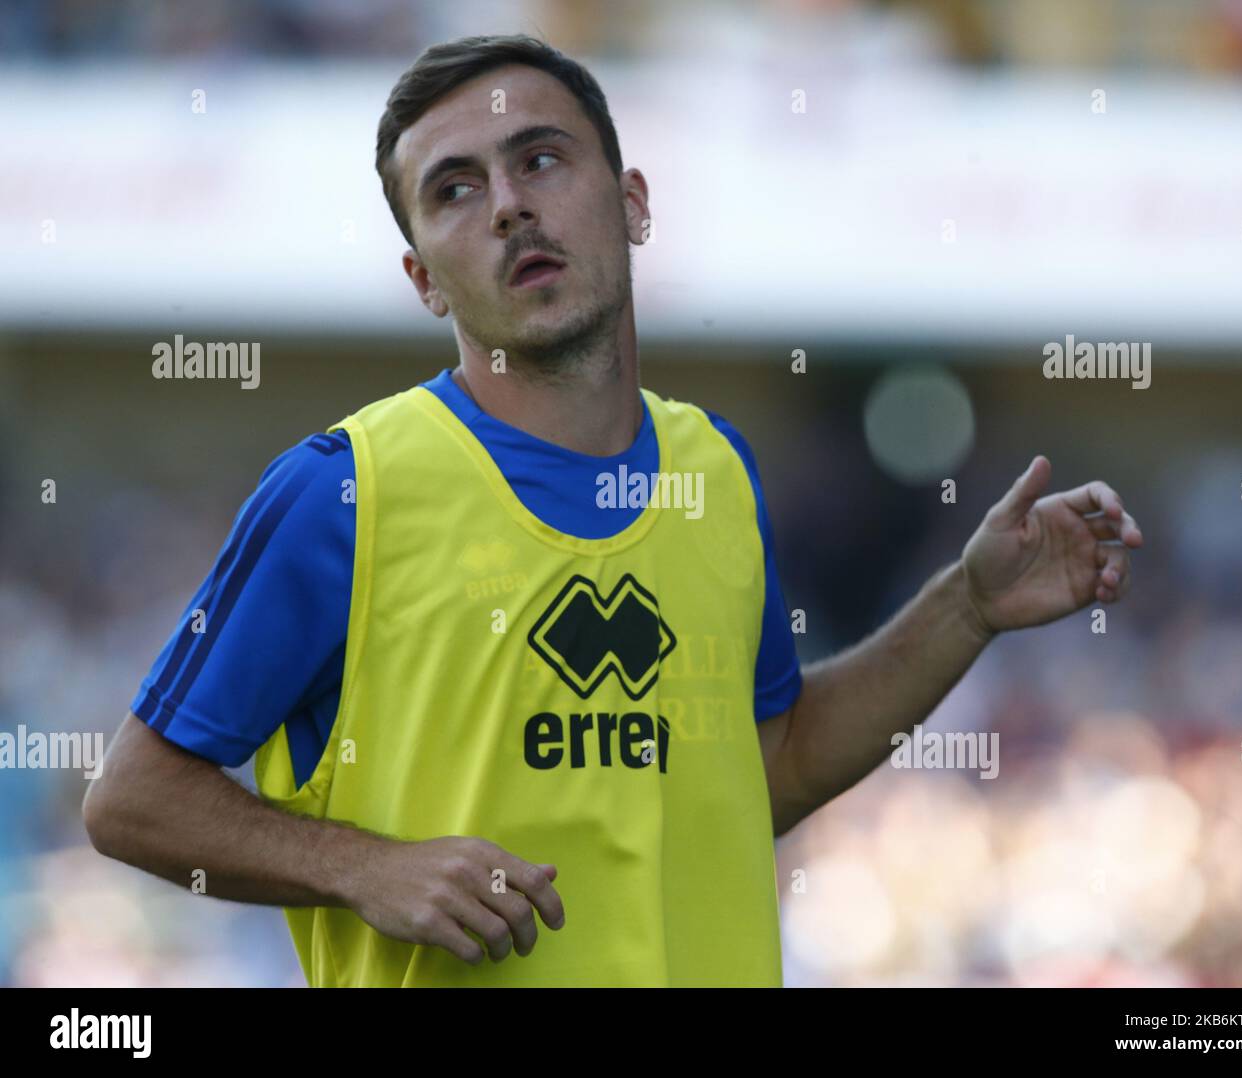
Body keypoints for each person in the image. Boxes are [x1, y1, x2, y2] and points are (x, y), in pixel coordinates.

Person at [83, 34, 1143, 987]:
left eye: (540, 160)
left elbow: (761, 770)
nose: (507, 204)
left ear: (633, 203)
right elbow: (131, 800)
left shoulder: (713, 469)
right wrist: (362, 866)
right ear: (424, 282)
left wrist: (966, 605)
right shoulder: (341, 491)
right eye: (454, 189)